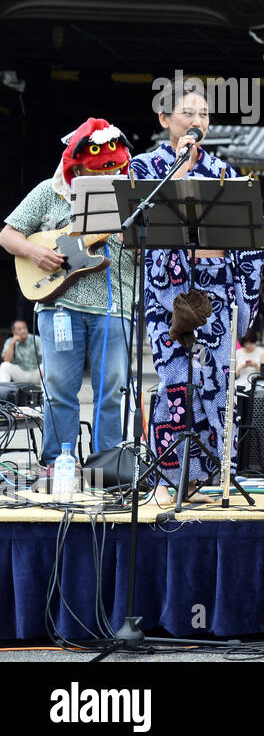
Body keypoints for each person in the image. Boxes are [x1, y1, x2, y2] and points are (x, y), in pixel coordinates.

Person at [131, 91, 264, 494]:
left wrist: (242, 292)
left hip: (215, 296)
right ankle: (175, 479)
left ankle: (218, 476)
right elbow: (133, 224)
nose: (197, 119)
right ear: (164, 119)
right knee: (175, 381)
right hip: (164, 294)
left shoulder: (223, 171)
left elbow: (252, 231)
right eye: (188, 112)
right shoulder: (144, 167)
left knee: (216, 380)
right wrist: (179, 171)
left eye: (204, 113)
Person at [0, 119, 134, 472]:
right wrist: (33, 252)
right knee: (59, 389)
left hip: (115, 305)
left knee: (112, 390)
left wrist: (130, 239)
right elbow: (7, 234)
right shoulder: (50, 190)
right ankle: (57, 461)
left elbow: (152, 255)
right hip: (58, 304)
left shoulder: (134, 196)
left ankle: (107, 464)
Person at [1, 320, 42, 386]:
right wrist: (12, 343)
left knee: (44, 366)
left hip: (35, 372)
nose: (23, 331)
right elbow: (7, 360)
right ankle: (4, 393)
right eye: (19, 329)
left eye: (24, 328)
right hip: (20, 374)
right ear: (13, 332)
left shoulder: (36, 339)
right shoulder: (9, 341)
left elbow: (45, 358)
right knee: (4, 366)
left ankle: (45, 395)